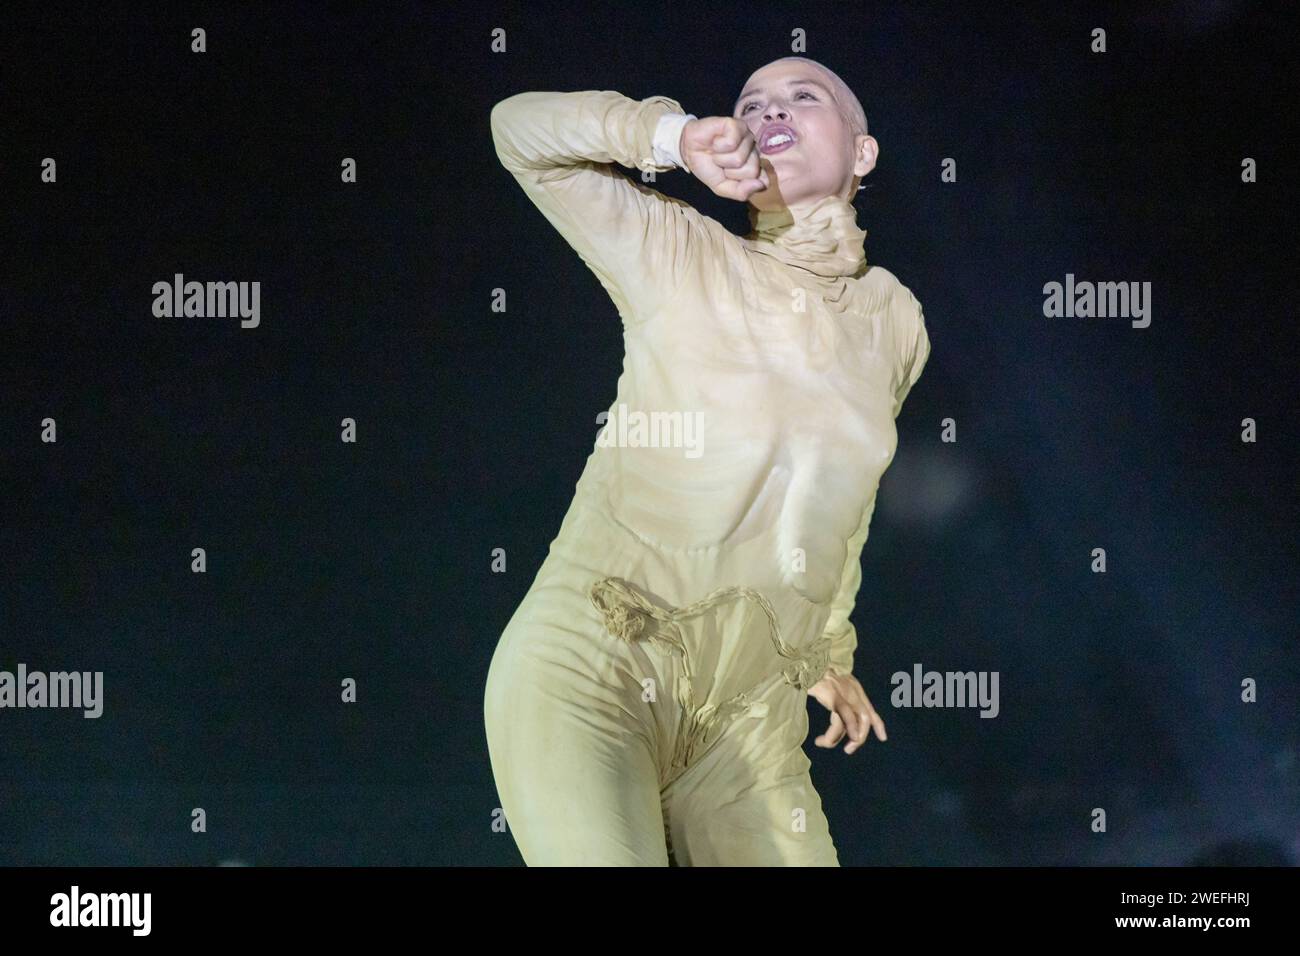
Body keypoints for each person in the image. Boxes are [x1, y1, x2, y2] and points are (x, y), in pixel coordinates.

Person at [483, 56, 931, 866]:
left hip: (751, 724)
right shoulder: (679, 252)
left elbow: (846, 500)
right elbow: (517, 130)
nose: (772, 110)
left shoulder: (894, 321)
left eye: (805, 96)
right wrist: (671, 136)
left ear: (863, 154)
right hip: (599, 665)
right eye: (751, 103)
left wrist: (827, 651)